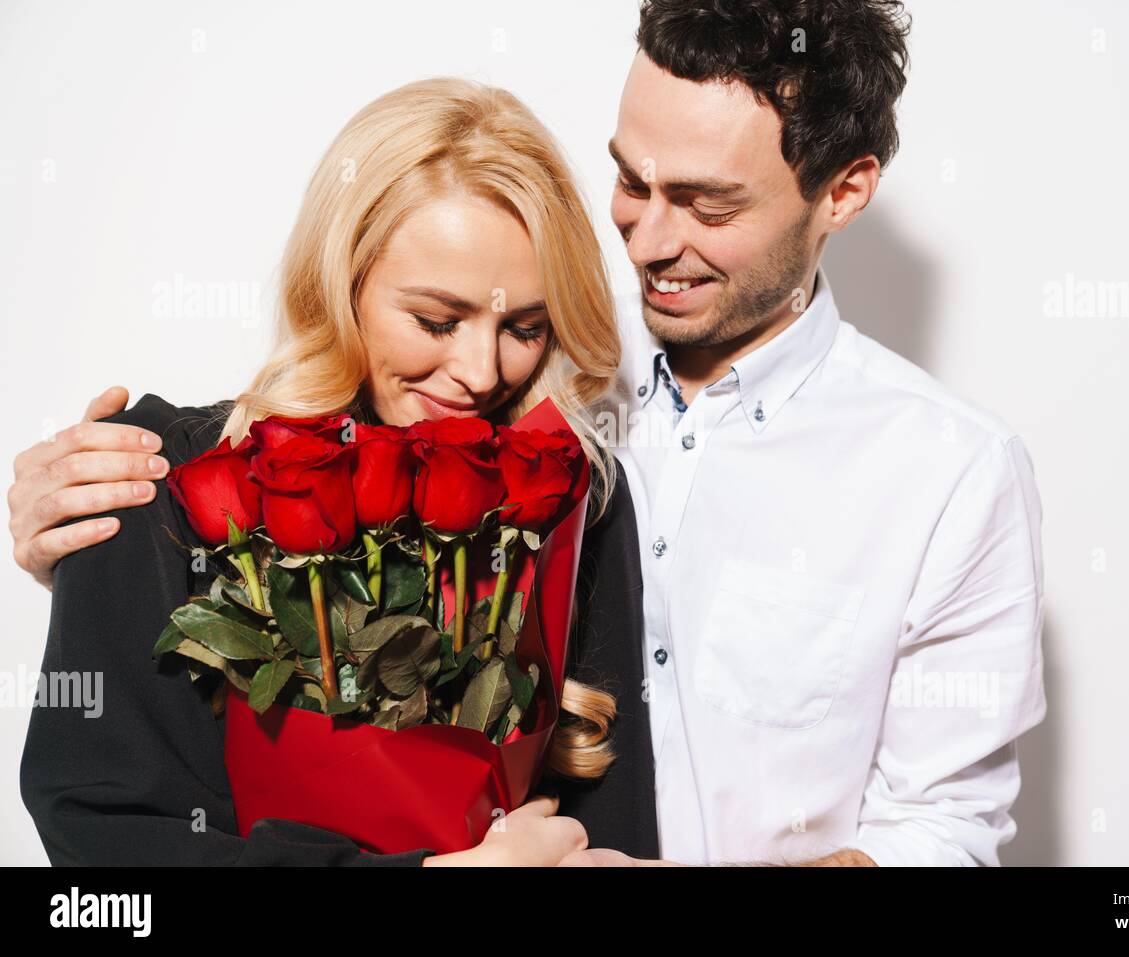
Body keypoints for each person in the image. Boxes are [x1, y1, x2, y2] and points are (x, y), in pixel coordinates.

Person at [11, 0, 1047, 867]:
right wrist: (118, 561)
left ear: (845, 191)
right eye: (633, 182)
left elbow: (941, 833)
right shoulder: (540, 427)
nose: (650, 236)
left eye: (705, 203)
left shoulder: (939, 472)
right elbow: (108, 840)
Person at [13, 77, 659, 866]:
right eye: (437, 320)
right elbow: (103, 850)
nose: (481, 371)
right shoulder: (157, 474)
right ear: (340, 283)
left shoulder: (571, 500)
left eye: (524, 326)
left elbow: (610, 830)